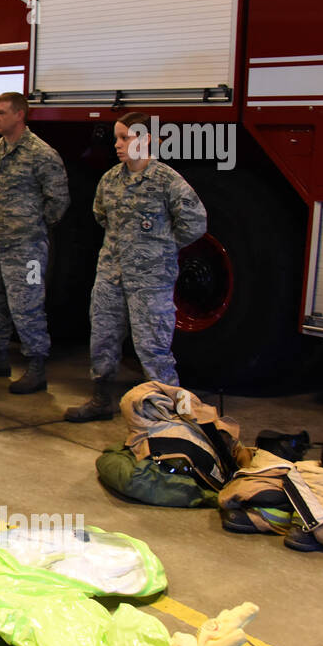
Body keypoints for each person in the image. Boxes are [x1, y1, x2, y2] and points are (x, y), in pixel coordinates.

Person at [65, 111, 207, 422]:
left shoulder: (167, 181)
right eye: (116, 137)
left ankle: (170, 416)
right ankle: (101, 399)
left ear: (144, 140)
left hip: (150, 280)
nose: (117, 144)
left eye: (124, 138)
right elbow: (101, 216)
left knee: (152, 347)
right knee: (102, 338)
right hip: (111, 276)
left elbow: (195, 223)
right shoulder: (110, 180)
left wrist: (160, 248)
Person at [0, 92, 70, 394]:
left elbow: (58, 201)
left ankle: (36, 367)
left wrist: (31, 227)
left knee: (27, 308)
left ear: (19, 115)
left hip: (27, 250)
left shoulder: (41, 154)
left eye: (0, 112)